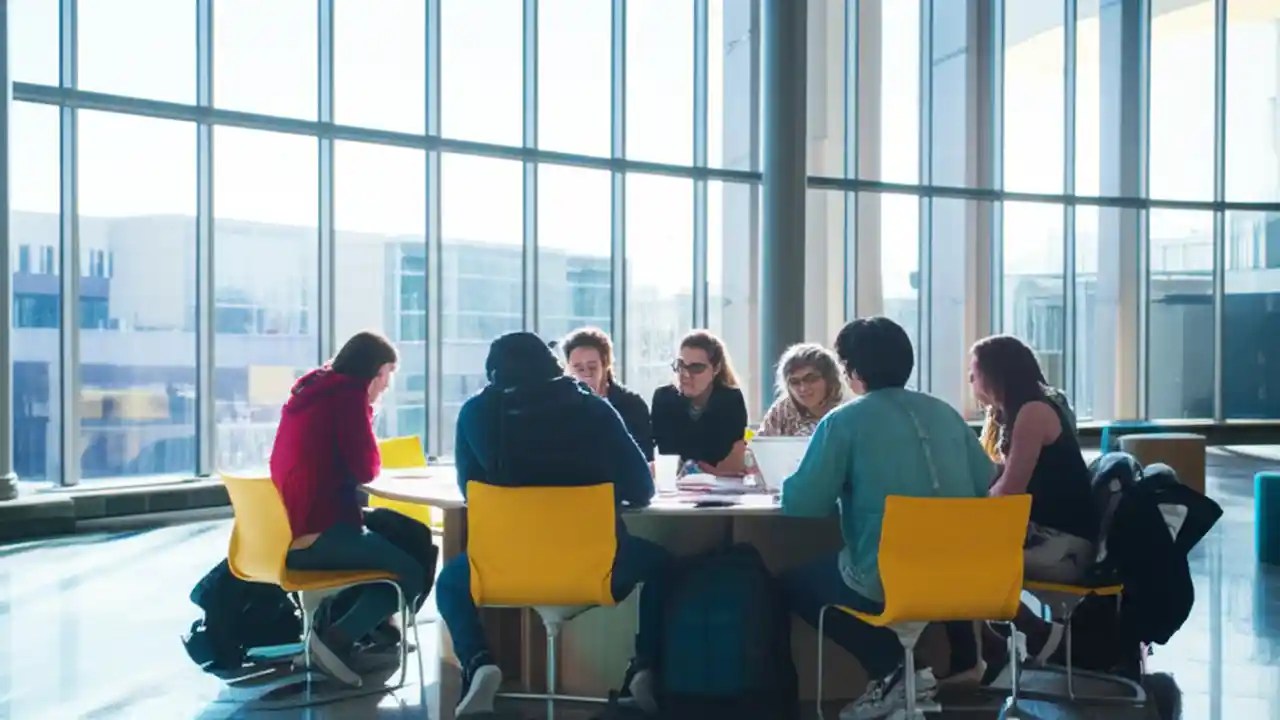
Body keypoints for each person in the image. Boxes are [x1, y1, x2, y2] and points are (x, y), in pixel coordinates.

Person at [437, 332, 671, 716]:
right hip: (598, 569)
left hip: (503, 570)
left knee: (449, 583)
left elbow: (469, 490)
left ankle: (480, 662)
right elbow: (642, 490)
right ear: (553, 366)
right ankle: (644, 668)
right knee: (664, 564)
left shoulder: (475, 413)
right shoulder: (593, 409)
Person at [778, 317, 995, 720]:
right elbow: (987, 484)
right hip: (968, 575)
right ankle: (909, 675)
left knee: (793, 583)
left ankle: (894, 671)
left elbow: (804, 504)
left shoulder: (843, 422)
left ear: (852, 371)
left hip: (890, 579)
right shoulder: (947, 415)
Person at [270, 331, 428, 687]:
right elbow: (367, 468)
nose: (387, 384)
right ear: (373, 371)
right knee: (412, 573)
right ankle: (335, 640)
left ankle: (376, 634)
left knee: (404, 534)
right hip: (321, 529)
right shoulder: (347, 397)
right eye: (387, 372)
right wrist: (366, 409)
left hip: (292, 524)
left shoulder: (313, 390)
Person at [971, 334, 1100, 668]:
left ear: (996, 374)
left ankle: (1027, 634)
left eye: (975, 371)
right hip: (1064, 536)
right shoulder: (1043, 401)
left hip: (1063, 545)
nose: (971, 380)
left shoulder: (1031, 413)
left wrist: (970, 505)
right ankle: (1004, 639)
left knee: (960, 561)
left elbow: (1010, 490)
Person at [650, 330, 749, 476]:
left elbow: (729, 459)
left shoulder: (730, 400)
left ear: (716, 368)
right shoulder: (664, 398)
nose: (686, 375)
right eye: (681, 365)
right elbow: (667, 453)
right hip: (676, 485)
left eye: (696, 368)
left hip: (720, 487)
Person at [561, 326, 655, 471]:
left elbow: (646, 457)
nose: (586, 374)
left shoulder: (631, 405)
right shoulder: (561, 406)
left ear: (605, 365)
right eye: (579, 368)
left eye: (592, 367)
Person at [758, 343, 846, 437]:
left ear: (829, 379)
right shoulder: (781, 412)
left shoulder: (847, 412)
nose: (803, 388)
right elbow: (762, 446)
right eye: (794, 382)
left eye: (811, 379)